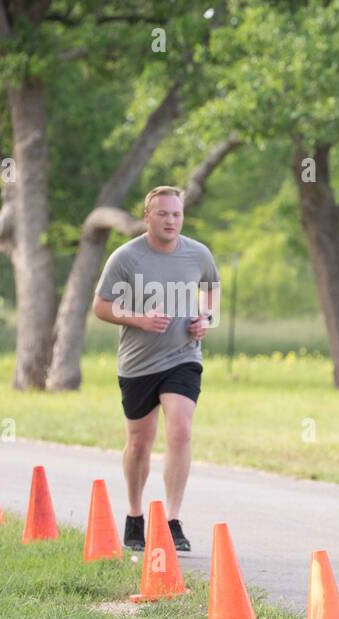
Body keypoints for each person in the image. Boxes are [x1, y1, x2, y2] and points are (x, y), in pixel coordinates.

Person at [94, 185, 219, 553]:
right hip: (138, 363)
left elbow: (211, 287)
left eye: (176, 214)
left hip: (183, 356)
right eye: (163, 213)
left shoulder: (198, 253)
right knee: (139, 443)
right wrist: (138, 319)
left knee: (180, 430)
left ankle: (173, 520)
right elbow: (101, 306)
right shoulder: (126, 258)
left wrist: (206, 318)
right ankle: (135, 515)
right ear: (147, 216)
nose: (170, 220)